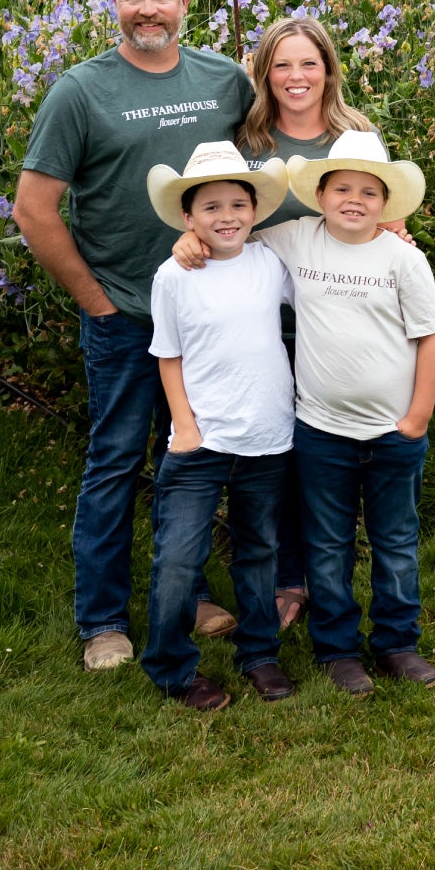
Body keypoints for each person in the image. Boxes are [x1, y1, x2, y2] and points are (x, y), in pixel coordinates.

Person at [12, 0, 255, 673]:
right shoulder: (81, 92)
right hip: (125, 315)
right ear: (113, 5)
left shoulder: (224, 81)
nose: (146, 9)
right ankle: (104, 623)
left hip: (211, 316)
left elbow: (277, 164)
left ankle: (189, 596)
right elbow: (33, 209)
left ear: (186, 3)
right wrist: (99, 304)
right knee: (117, 461)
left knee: (194, 458)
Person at [178, 127, 435, 694]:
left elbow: (432, 337)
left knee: (395, 540)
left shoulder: (402, 259)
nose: (354, 200)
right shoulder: (296, 238)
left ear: (387, 203)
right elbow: (232, 235)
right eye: (341, 188)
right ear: (319, 195)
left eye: (369, 193)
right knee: (327, 544)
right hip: (321, 430)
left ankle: (398, 641)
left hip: (394, 430)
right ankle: (337, 648)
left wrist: (416, 418)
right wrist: (190, 243)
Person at [138, 144, 299, 709]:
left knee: (258, 551)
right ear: (187, 217)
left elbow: (327, 271)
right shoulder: (174, 275)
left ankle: (259, 655)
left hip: (268, 434)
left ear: (255, 211)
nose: (225, 215)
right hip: (199, 440)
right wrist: (183, 425)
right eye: (210, 206)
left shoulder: (270, 263)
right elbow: (168, 354)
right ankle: (170, 667)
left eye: (237, 203)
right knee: (179, 555)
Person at [235, 16, 380, 635]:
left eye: (309, 64)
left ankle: (329, 578)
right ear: (265, 72)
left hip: (338, 319)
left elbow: (380, 212)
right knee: (279, 451)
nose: (296, 77)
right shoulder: (246, 143)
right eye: (283, 65)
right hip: (264, 320)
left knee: (328, 450)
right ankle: (286, 578)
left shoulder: (356, 135)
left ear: (328, 70)